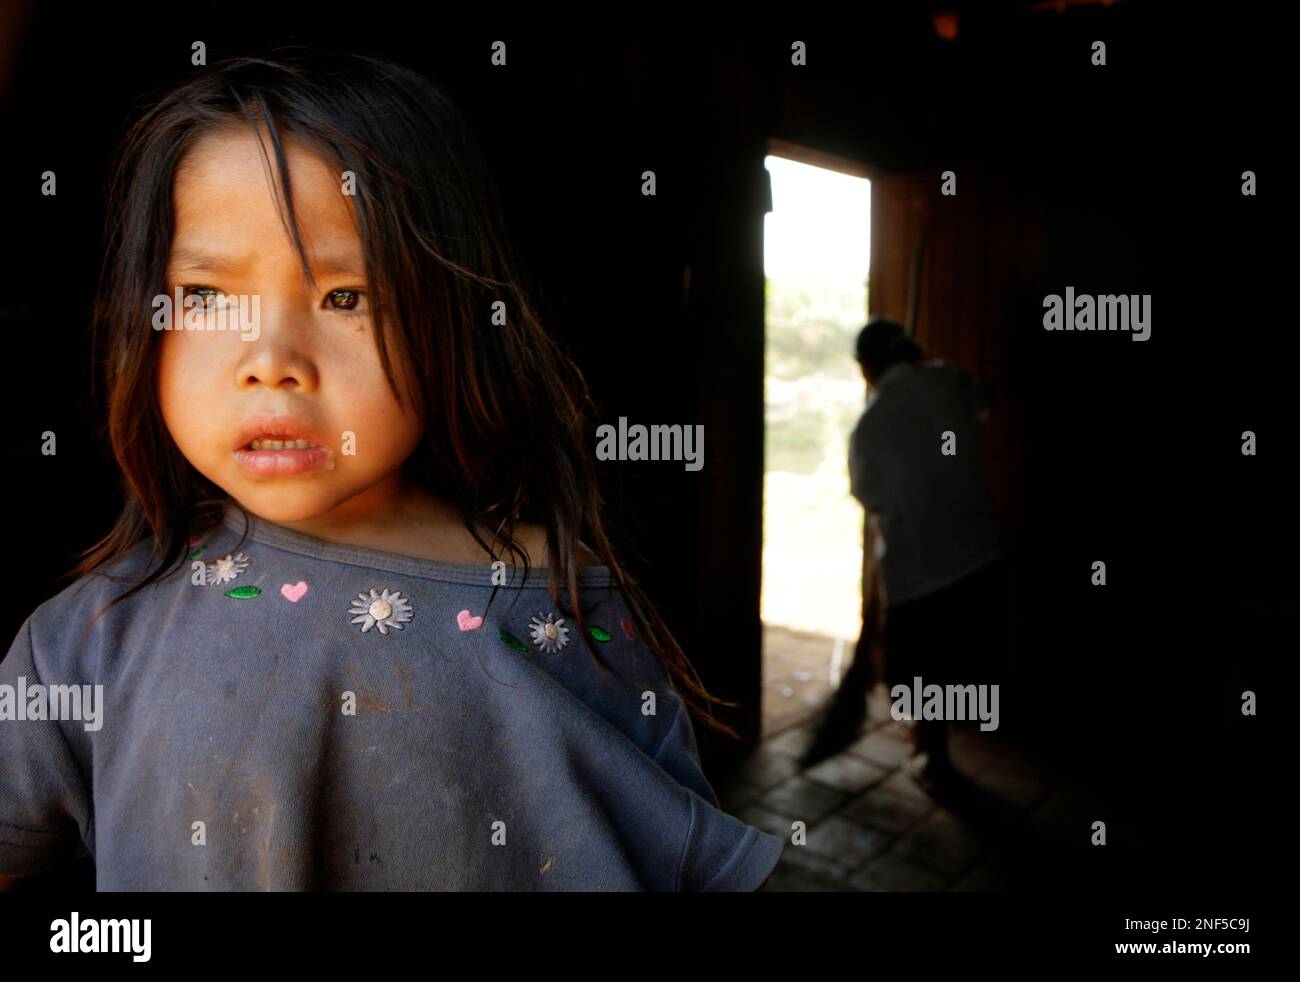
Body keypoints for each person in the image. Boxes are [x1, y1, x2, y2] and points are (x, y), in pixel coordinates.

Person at [0, 49, 783, 891]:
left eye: (346, 297)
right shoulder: (84, 641)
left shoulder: (558, 603)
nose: (270, 362)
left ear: (455, 318)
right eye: (206, 298)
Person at [801, 317, 1004, 780]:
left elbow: (869, 496)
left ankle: (933, 754)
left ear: (865, 366)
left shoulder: (871, 427)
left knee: (925, 669)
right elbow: (986, 401)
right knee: (962, 659)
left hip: (921, 570)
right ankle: (937, 750)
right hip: (980, 552)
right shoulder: (950, 379)